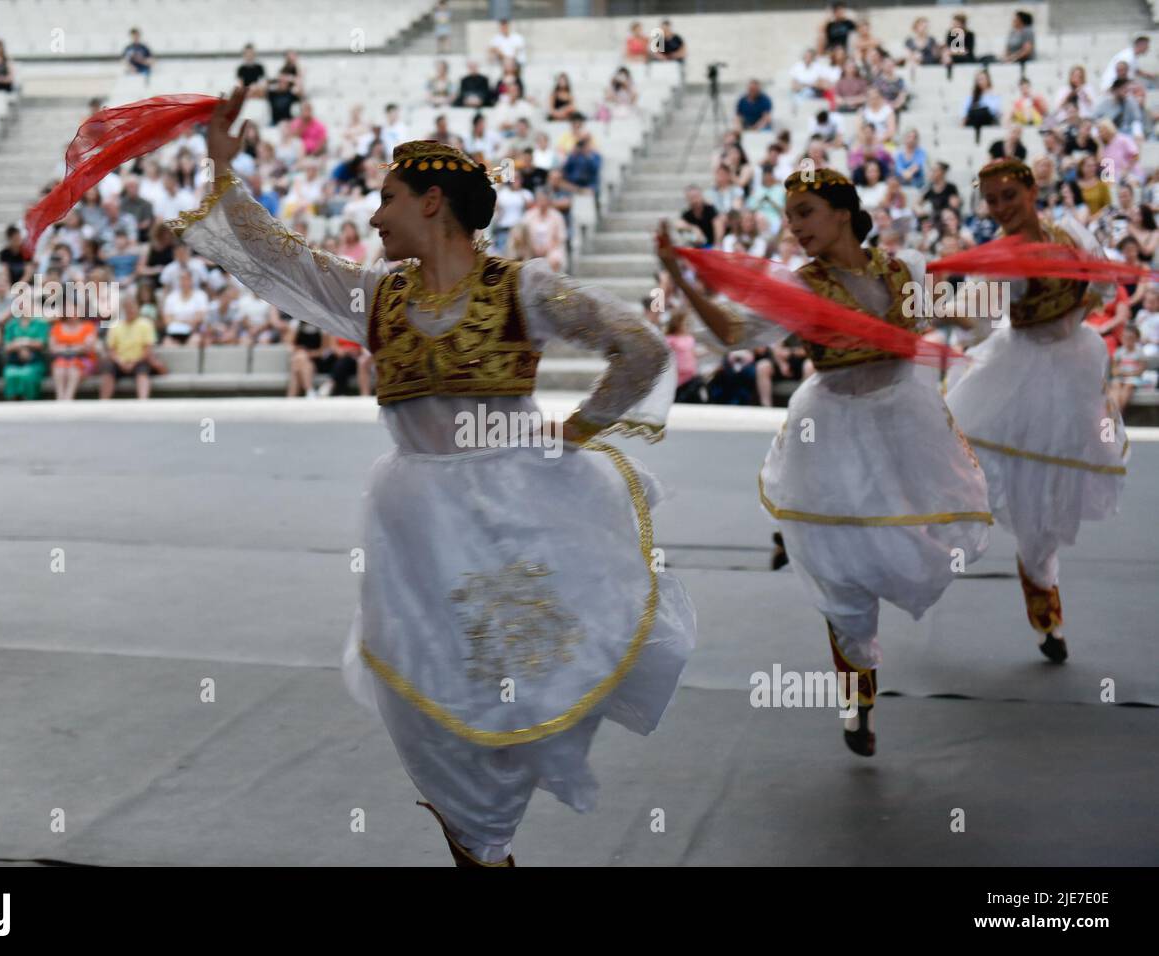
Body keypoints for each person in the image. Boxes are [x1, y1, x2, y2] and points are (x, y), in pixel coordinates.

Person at [168, 86, 695, 866]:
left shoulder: (522, 288)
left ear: (433, 200)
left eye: (386, 199)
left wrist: (574, 436)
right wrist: (222, 170)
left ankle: (485, 845)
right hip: (418, 534)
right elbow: (277, 256)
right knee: (429, 713)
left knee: (515, 692)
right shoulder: (378, 296)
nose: (374, 217)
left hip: (520, 519)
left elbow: (642, 348)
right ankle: (483, 848)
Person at [656, 168, 991, 757]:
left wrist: (969, 315)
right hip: (832, 429)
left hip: (904, 420)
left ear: (842, 211)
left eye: (805, 211)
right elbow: (733, 332)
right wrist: (682, 284)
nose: (795, 227)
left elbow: (940, 311)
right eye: (789, 218)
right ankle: (858, 689)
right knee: (841, 567)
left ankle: (859, 665)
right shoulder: (799, 286)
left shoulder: (904, 267)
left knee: (908, 548)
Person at [946, 159, 1130, 663]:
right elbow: (975, 319)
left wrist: (1072, 313)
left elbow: (1102, 284)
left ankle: (1044, 598)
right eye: (991, 200)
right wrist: (939, 298)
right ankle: (1041, 609)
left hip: (1069, 371)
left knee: (1048, 501)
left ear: (1032, 190)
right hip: (1017, 374)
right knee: (989, 475)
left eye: (1009, 195)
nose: (1001, 207)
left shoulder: (1067, 230)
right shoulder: (1002, 260)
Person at [2, 302, 49, 401]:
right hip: (15, 362)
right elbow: (7, 346)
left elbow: (41, 343)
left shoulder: (41, 324)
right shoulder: (11, 325)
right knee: (10, 374)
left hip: (34, 362)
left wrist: (22, 342)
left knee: (27, 375)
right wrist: (22, 346)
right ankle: (13, 404)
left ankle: (29, 404)